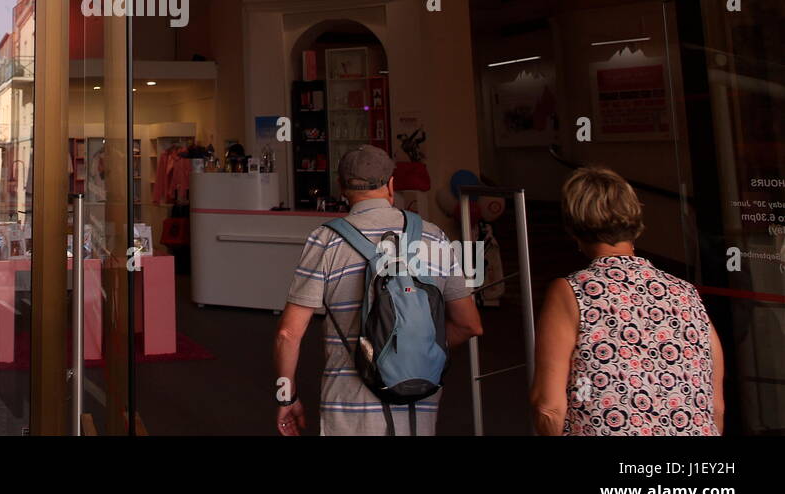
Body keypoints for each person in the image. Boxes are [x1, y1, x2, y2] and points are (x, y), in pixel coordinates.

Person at [274, 145, 483, 435]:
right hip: (419, 398)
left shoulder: (325, 240)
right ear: (391, 185)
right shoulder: (435, 236)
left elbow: (288, 334)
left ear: (341, 187)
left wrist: (287, 395)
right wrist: (413, 345)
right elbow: (469, 324)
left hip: (349, 406)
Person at [530, 166, 724, 435]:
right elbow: (715, 408)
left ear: (574, 228)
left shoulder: (572, 292)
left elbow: (548, 408)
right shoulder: (687, 293)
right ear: (635, 221)